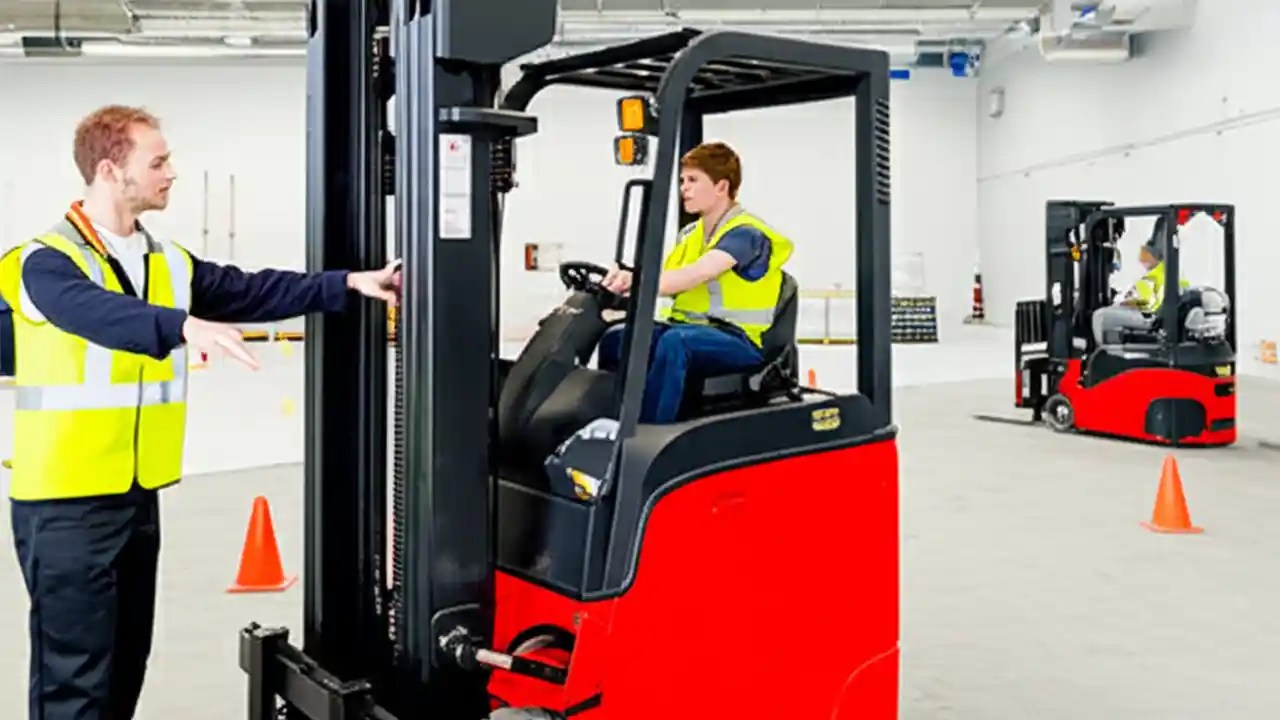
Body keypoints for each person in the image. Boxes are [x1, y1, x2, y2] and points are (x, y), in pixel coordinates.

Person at [0, 104, 402, 720]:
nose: (172, 172)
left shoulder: (165, 260)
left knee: (124, 661)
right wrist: (184, 327)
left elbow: (252, 288)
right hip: (64, 502)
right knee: (74, 674)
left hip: (135, 495)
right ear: (111, 171)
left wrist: (346, 284)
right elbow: (93, 312)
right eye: (157, 161)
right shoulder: (43, 262)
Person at [596, 141, 793, 423]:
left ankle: (649, 432)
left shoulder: (745, 234)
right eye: (681, 180)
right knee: (617, 338)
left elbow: (698, 273)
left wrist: (636, 282)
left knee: (677, 343)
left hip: (740, 340)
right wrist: (621, 286)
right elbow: (667, 280)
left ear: (721, 187)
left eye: (692, 180)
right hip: (693, 329)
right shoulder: (691, 234)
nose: (683, 188)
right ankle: (612, 423)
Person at [1092, 217, 1189, 345]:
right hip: (1156, 317)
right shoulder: (1168, 271)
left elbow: (1147, 304)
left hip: (1152, 321)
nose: (1141, 258)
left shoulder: (1158, 274)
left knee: (1100, 316)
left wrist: (1128, 303)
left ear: (1154, 255)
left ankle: (1098, 349)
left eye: (1146, 253)